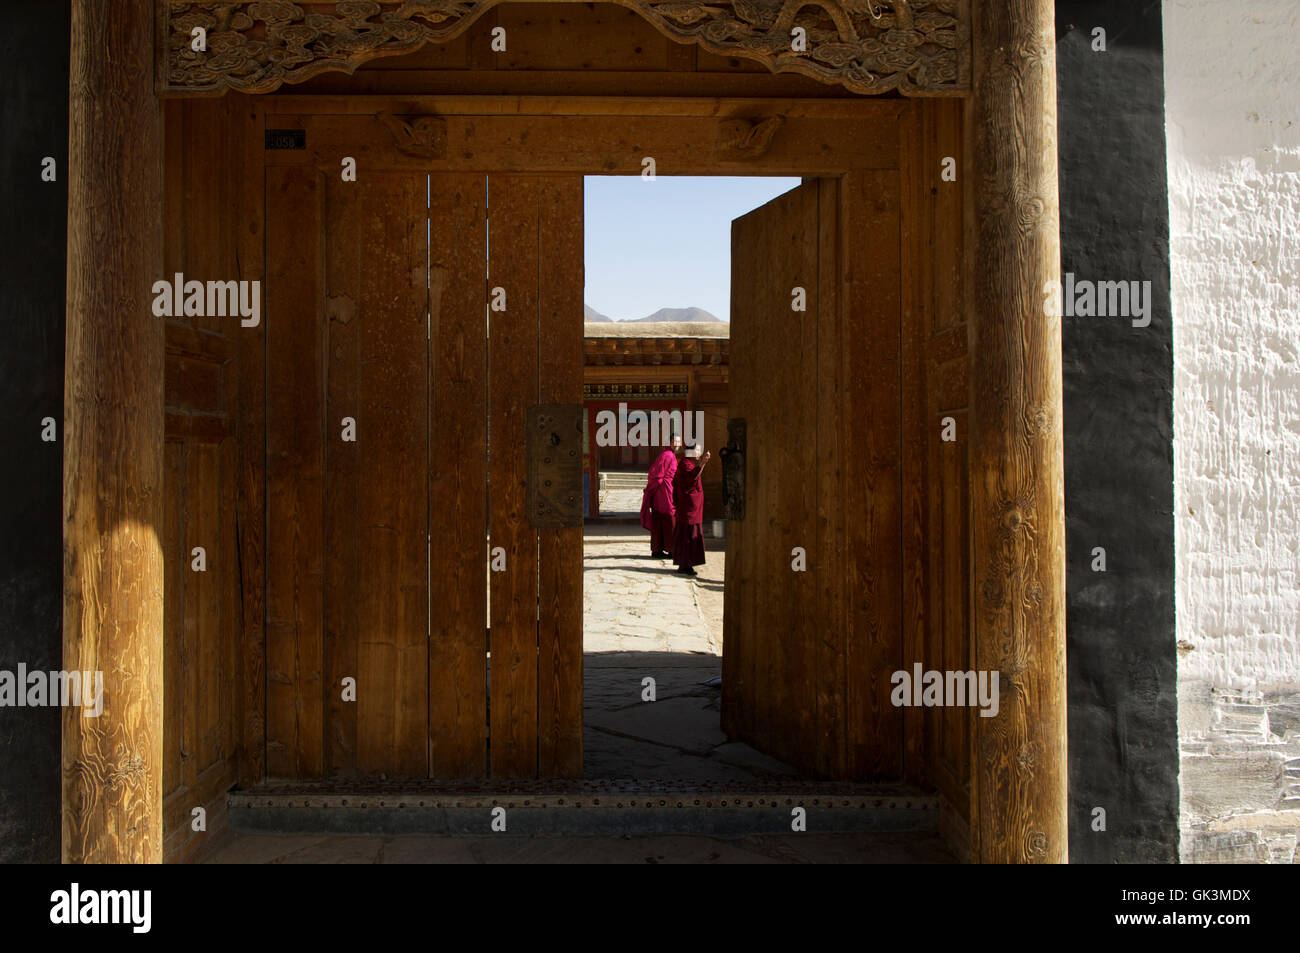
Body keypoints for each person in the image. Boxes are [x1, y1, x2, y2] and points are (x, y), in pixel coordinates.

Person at [671, 444, 711, 575]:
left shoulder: (689, 463)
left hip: (692, 508)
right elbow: (691, 477)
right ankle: (685, 564)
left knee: (689, 534)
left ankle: (686, 564)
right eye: (697, 450)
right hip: (688, 508)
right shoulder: (686, 464)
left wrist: (701, 464)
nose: (699, 452)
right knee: (687, 535)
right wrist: (703, 463)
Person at [640, 433, 682, 558]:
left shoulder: (668, 455)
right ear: (669, 442)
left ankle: (657, 550)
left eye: (679, 442)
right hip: (664, 491)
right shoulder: (667, 455)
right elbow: (658, 475)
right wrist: (652, 489)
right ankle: (671, 550)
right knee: (670, 519)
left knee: (658, 519)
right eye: (675, 441)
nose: (677, 444)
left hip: (663, 490)